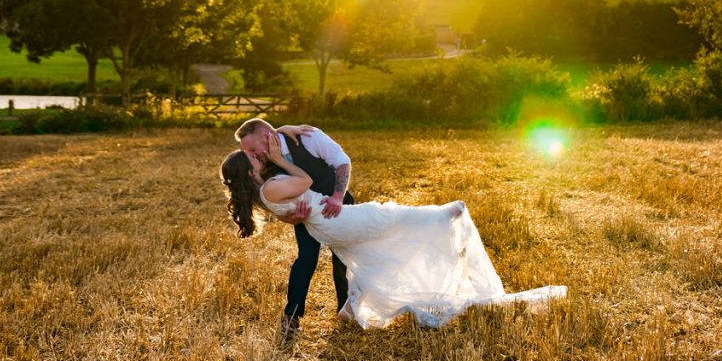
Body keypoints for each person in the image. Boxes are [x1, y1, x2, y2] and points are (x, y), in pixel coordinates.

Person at [220, 143, 566, 331]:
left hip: (326, 225)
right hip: (334, 221)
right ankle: (446, 214)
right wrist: (284, 160)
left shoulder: (264, 194)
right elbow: (306, 182)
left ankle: (352, 305)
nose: (261, 155)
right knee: (394, 218)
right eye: (253, 156)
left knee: (375, 246)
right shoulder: (272, 185)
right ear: (247, 169)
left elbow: (290, 208)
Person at [234, 118, 355, 339]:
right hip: (307, 217)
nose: (252, 155)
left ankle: (345, 311)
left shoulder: (308, 137)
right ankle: (291, 318)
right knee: (306, 259)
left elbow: (342, 162)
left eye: (252, 149)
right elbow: (274, 204)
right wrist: (292, 219)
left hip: (338, 205)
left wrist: (337, 196)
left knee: (343, 258)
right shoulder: (262, 163)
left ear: (266, 136)